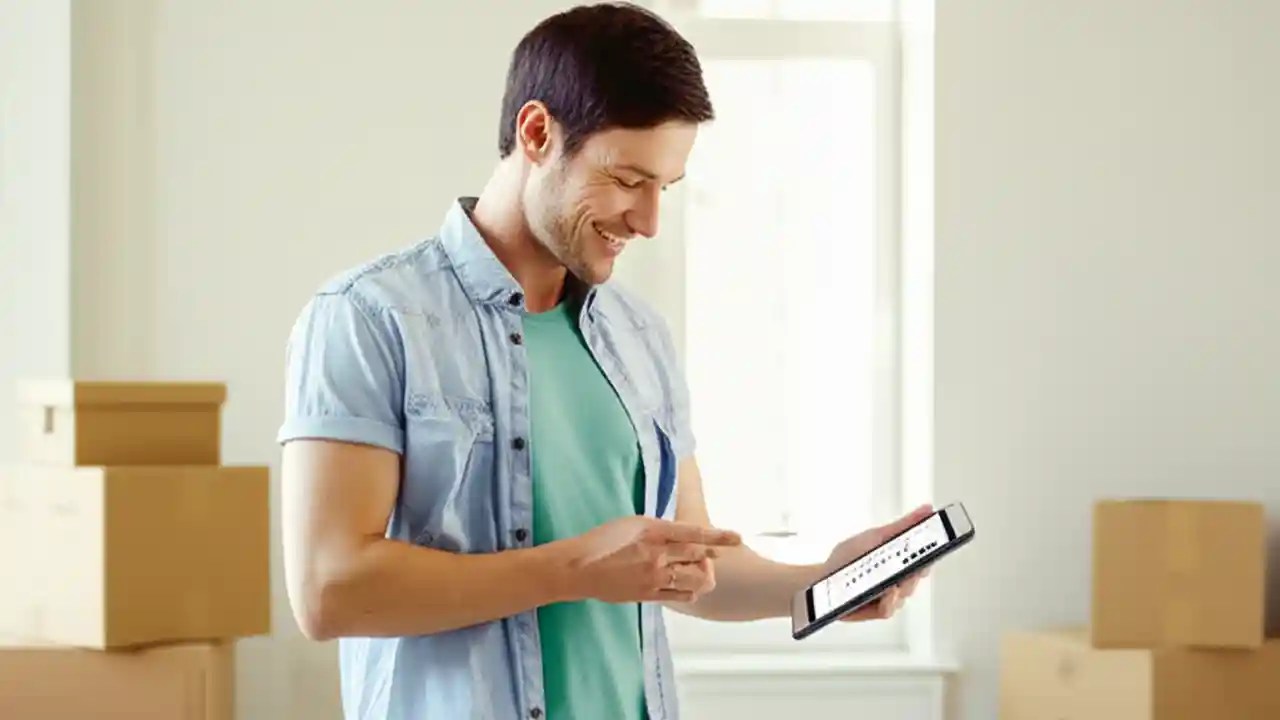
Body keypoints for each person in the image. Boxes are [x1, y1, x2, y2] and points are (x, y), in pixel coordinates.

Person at [278, 3, 930, 719]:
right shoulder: (369, 319)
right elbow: (328, 590)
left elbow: (687, 568)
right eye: (627, 180)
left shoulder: (638, 336)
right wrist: (578, 568)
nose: (647, 221)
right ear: (537, 134)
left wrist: (821, 580)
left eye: (664, 189)